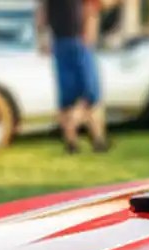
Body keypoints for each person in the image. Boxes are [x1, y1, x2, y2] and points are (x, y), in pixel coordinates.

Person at [37, 0, 111, 153]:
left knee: (68, 97)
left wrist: (42, 36)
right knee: (91, 94)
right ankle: (96, 139)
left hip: (60, 40)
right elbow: (93, 7)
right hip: (79, 38)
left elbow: (42, 12)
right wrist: (89, 33)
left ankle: (73, 141)